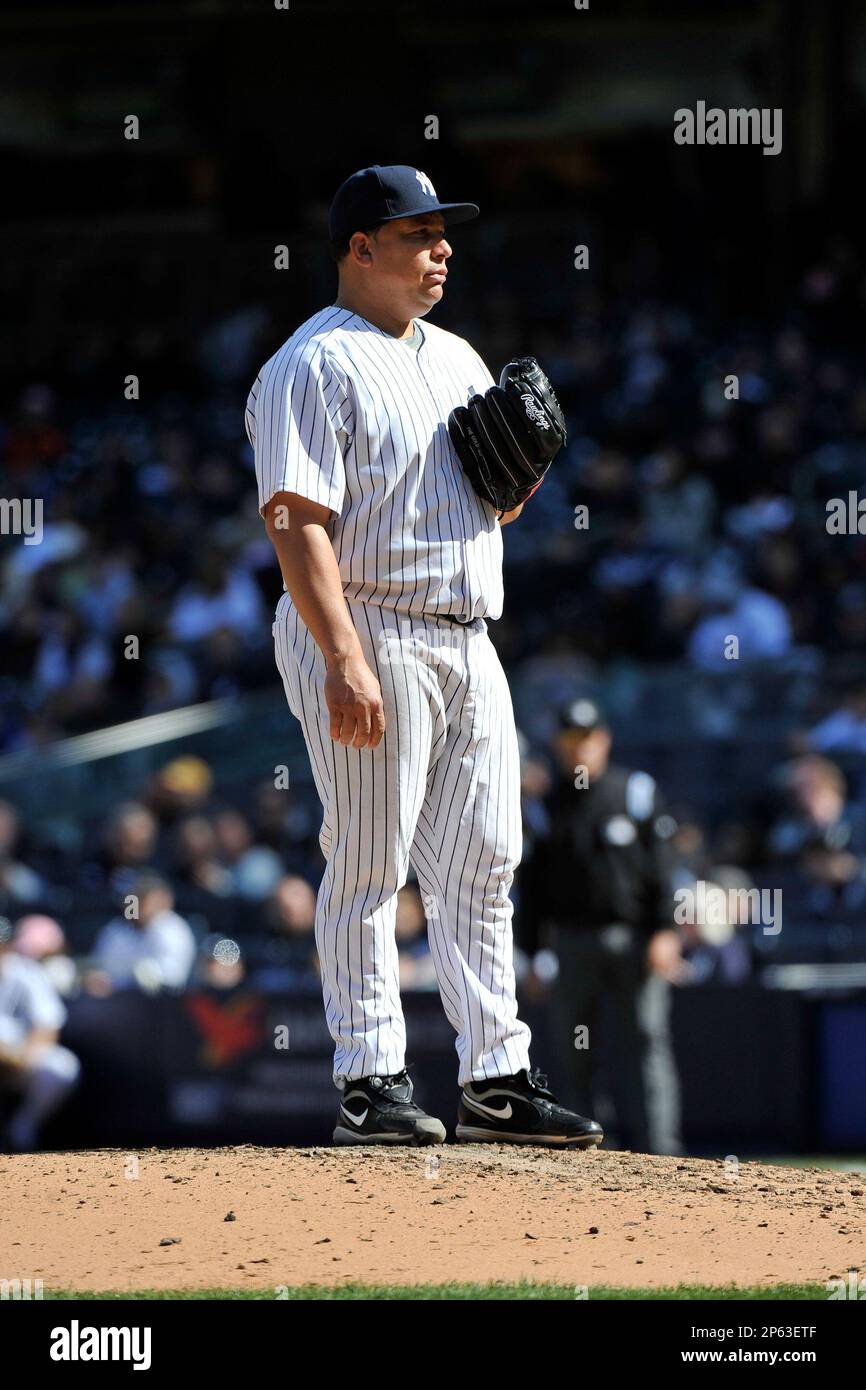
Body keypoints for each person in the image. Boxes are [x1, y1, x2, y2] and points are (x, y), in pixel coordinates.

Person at [245, 163, 602, 1149]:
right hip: (369, 622)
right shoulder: (307, 366)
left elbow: (492, 496)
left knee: (485, 862)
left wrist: (519, 480)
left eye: (444, 232)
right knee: (368, 862)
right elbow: (295, 521)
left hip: (465, 632)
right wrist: (341, 656)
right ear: (359, 249)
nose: (441, 247)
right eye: (417, 233)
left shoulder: (457, 357)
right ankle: (370, 1078)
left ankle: (494, 1076)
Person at [519, 698, 683, 1155]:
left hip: (635, 940)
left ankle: (661, 1152)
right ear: (558, 744)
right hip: (572, 943)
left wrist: (666, 931)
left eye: (587, 738)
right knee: (575, 1053)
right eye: (571, 738)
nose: (580, 749)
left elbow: (664, 869)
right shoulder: (545, 808)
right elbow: (532, 891)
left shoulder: (635, 792)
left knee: (646, 1045)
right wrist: (531, 953)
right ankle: (584, 1151)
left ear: (604, 739)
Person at [0, 915, 81, 1152]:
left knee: (61, 1066)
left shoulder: (26, 972)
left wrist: (22, 1057)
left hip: (20, 1055)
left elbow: (48, 1025)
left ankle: (21, 1131)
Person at [89, 873, 196, 993]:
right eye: (133, 898)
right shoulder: (116, 930)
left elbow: (173, 977)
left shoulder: (172, 928)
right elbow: (101, 968)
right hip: (118, 1000)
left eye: (142, 898)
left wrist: (140, 974)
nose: (136, 904)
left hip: (162, 1001)